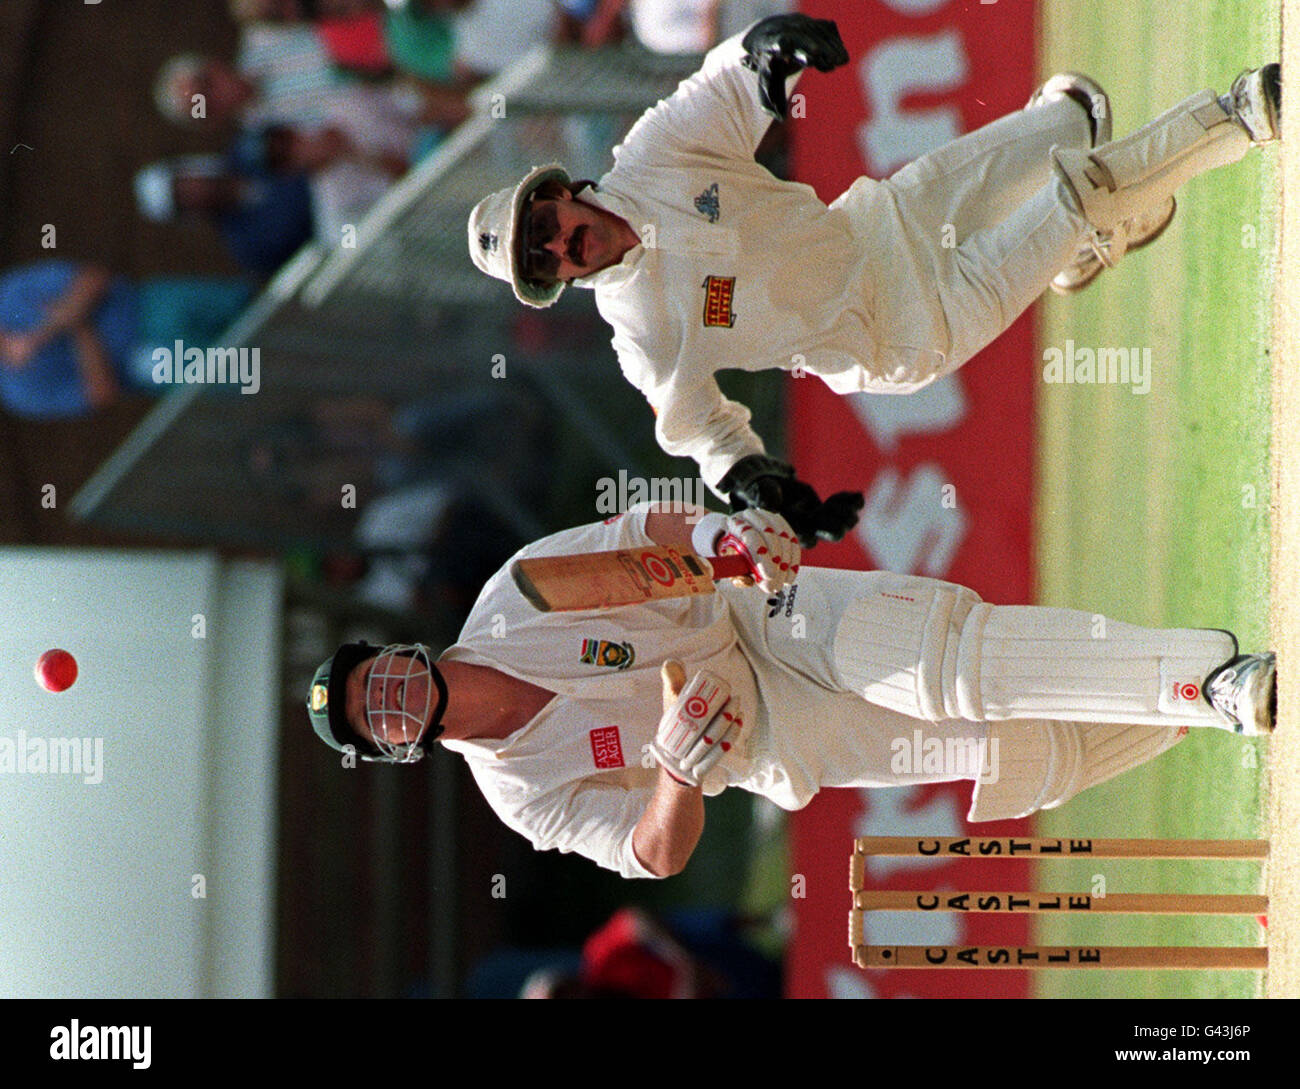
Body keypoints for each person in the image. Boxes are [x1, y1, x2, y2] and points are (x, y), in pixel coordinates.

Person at [466, 14, 1282, 547]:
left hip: (890, 220)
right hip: (901, 331)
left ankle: (1081, 243)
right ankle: (1242, 114)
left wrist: (766, 52)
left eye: (547, 226)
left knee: (1078, 116)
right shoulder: (642, 332)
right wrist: (758, 480)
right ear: (557, 280)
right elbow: (698, 433)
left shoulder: (649, 159)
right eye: (547, 261)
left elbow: (718, 88)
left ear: (560, 190)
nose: (563, 245)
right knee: (1080, 191)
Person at [305, 502, 1276, 879]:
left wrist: (719, 542)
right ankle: (1176, 692)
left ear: (395, 652)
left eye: (373, 677)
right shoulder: (521, 794)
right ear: (397, 747)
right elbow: (651, 855)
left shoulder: (516, 594)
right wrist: (677, 778)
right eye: (372, 717)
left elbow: (648, 537)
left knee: (947, 667)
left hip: (751, 619)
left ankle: (1207, 684)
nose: (387, 696)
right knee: (1020, 754)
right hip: (764, 740)